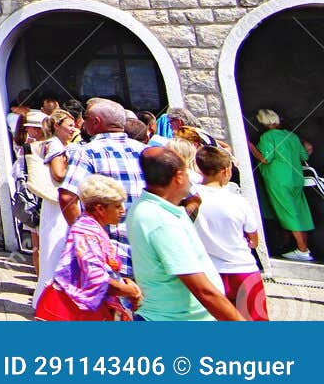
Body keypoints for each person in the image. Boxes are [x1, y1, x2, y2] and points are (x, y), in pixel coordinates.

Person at [127, 146, 243, 320]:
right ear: (179, 177)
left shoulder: (148, 207)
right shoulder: (161, 221)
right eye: (187, 173)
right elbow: (203, 290)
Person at [34, 175, 141, 320]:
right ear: (100, 209)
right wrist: (128, 291)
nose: (122, 210)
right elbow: (95, 278)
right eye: (117, 206)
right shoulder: (86, 232)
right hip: (68, 309)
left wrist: (125, 286)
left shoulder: (92, 228)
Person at [59, 98, 146, 275]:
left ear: (96, 122)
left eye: (86, 118)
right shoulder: (146, 151)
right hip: (148, 255)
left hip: (109, 257)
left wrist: (87, 239)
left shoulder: (87, 152)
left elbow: (68, 197)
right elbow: (190, 197)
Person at [194, 146, 267, 320]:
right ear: (226, 170)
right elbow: (253, 238)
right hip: (243, 270)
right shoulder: (238, 201)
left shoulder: (189, 199)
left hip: (207, 273)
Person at [249, 108, 315, 261]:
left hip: (278, 179)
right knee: (299, 212)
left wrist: (250, 146)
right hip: (296, 179)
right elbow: (305, 154)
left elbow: (265, 159)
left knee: (288, 213)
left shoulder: (267, 136)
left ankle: (302, 250)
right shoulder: (291, 136)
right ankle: (304, 248)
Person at [31, 108, 79, 298]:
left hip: (54, 204)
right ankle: (47, 298)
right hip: (57, 203)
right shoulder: (56, 145)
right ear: (57, 126)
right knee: (54, 249)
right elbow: (58, 174)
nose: (73, 129)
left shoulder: (53, 143)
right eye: (69, 125)